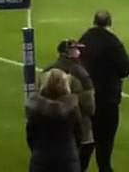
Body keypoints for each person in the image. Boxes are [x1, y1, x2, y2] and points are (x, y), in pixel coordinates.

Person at [78, 11, 129, 172]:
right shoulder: (113, 42)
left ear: (94, 22)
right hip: (107, 99)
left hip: (86, 98)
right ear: (110, 23)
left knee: (86, 144)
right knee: (105, 145)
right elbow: (126, 67)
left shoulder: (85, 38)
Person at [44, 39, 95, 171]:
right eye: (75, 50)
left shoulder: (47, 70)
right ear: (67, 52)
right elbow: (89, 105)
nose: (78, 52)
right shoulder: (80, 73)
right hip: (78, 127)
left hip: (51, 125)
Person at [26, 68, 81, 172]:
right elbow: (78, 134)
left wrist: (38, 151)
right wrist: (72, 150)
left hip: (42, 160)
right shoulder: (72, 108)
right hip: (68, 160)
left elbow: (31, 135)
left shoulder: (36, 109)